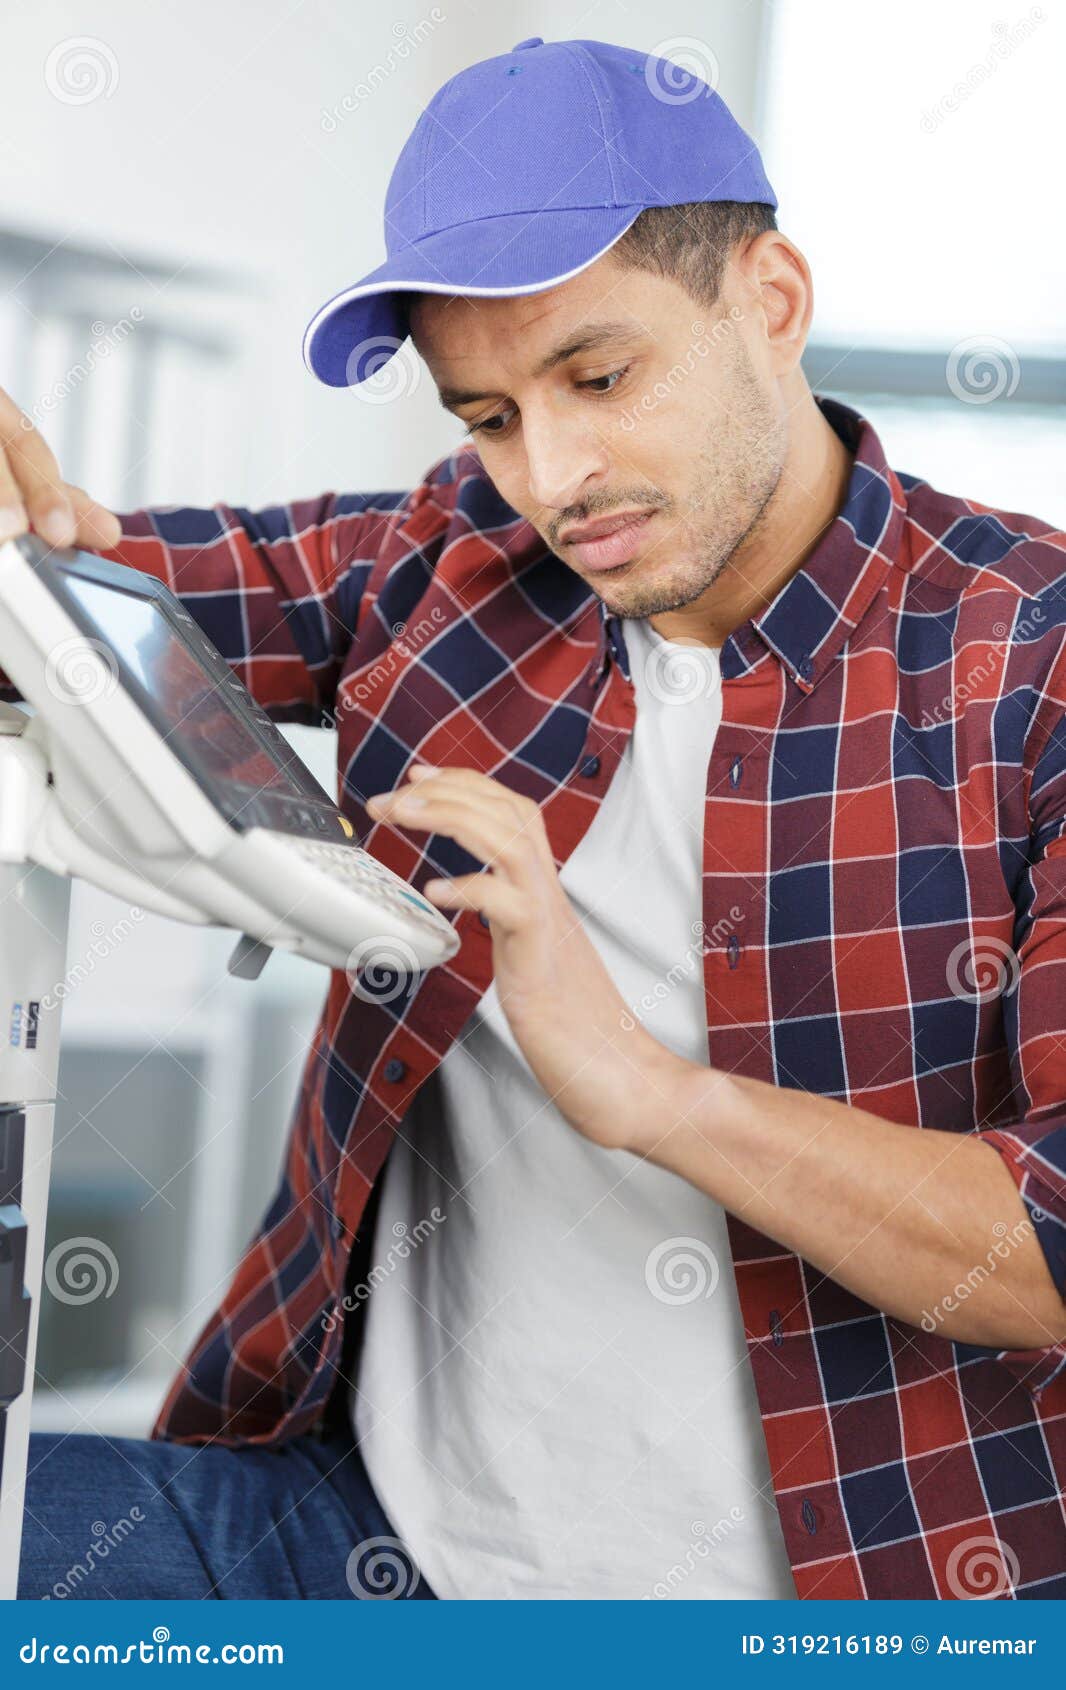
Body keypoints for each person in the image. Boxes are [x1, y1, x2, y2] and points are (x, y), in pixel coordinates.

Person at [5, 35, 1065, 1602]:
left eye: (599, 375)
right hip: (359, 1552)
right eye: (489, 414)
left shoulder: (1026, 653)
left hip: (855, 1600)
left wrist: (646, 1090)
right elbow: (73, 600)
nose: (553, 476)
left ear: (767, 299)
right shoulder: (447, 563)